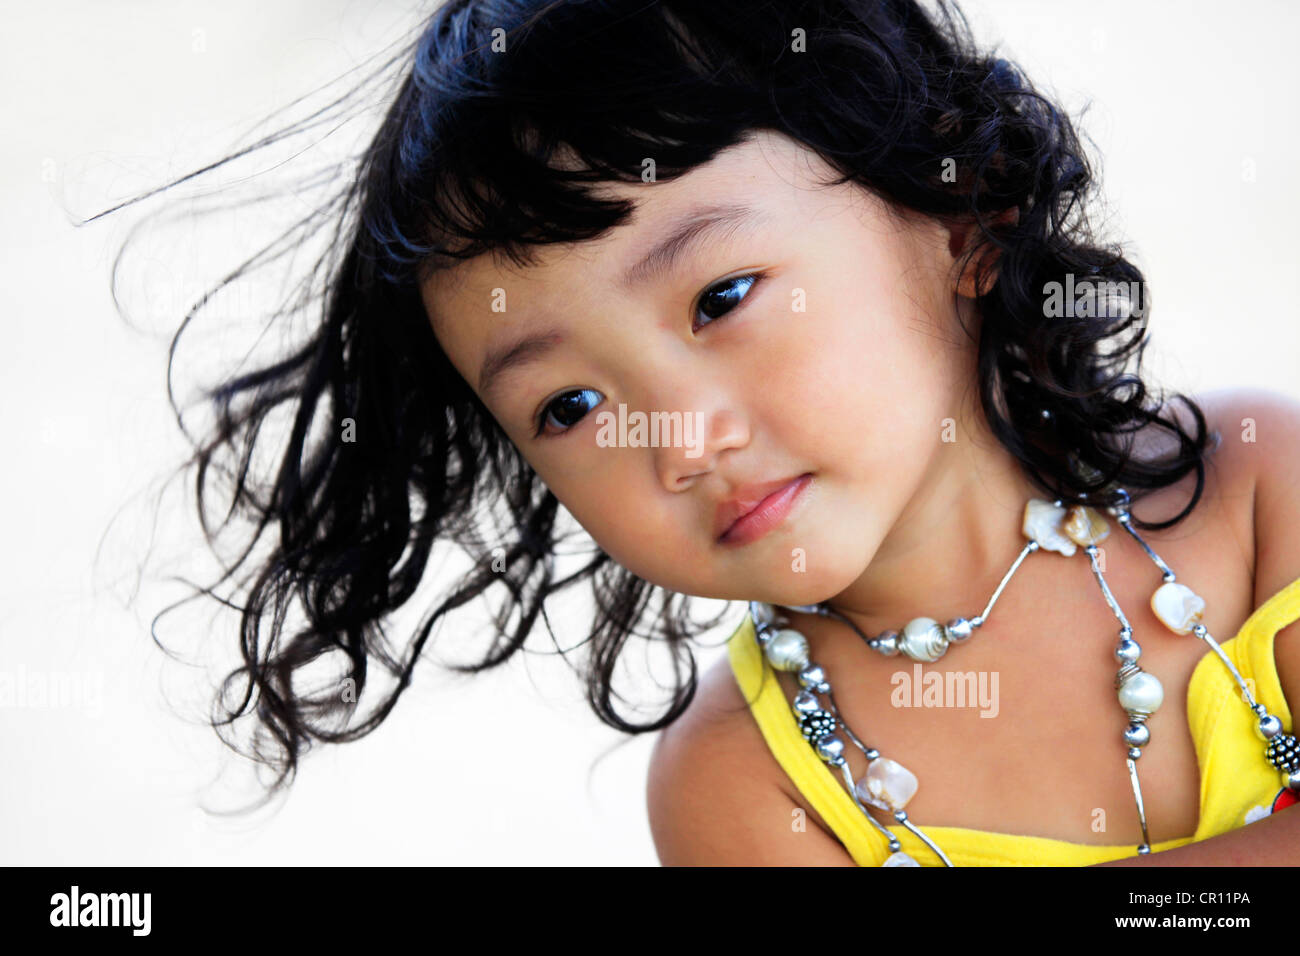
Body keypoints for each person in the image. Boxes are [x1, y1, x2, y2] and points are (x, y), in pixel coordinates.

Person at [113, 0, 1300, 864]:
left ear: (962, 208)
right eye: (567, 408)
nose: (677, 441)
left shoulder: (1261, 490)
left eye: (720, 297)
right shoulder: (744, 786)